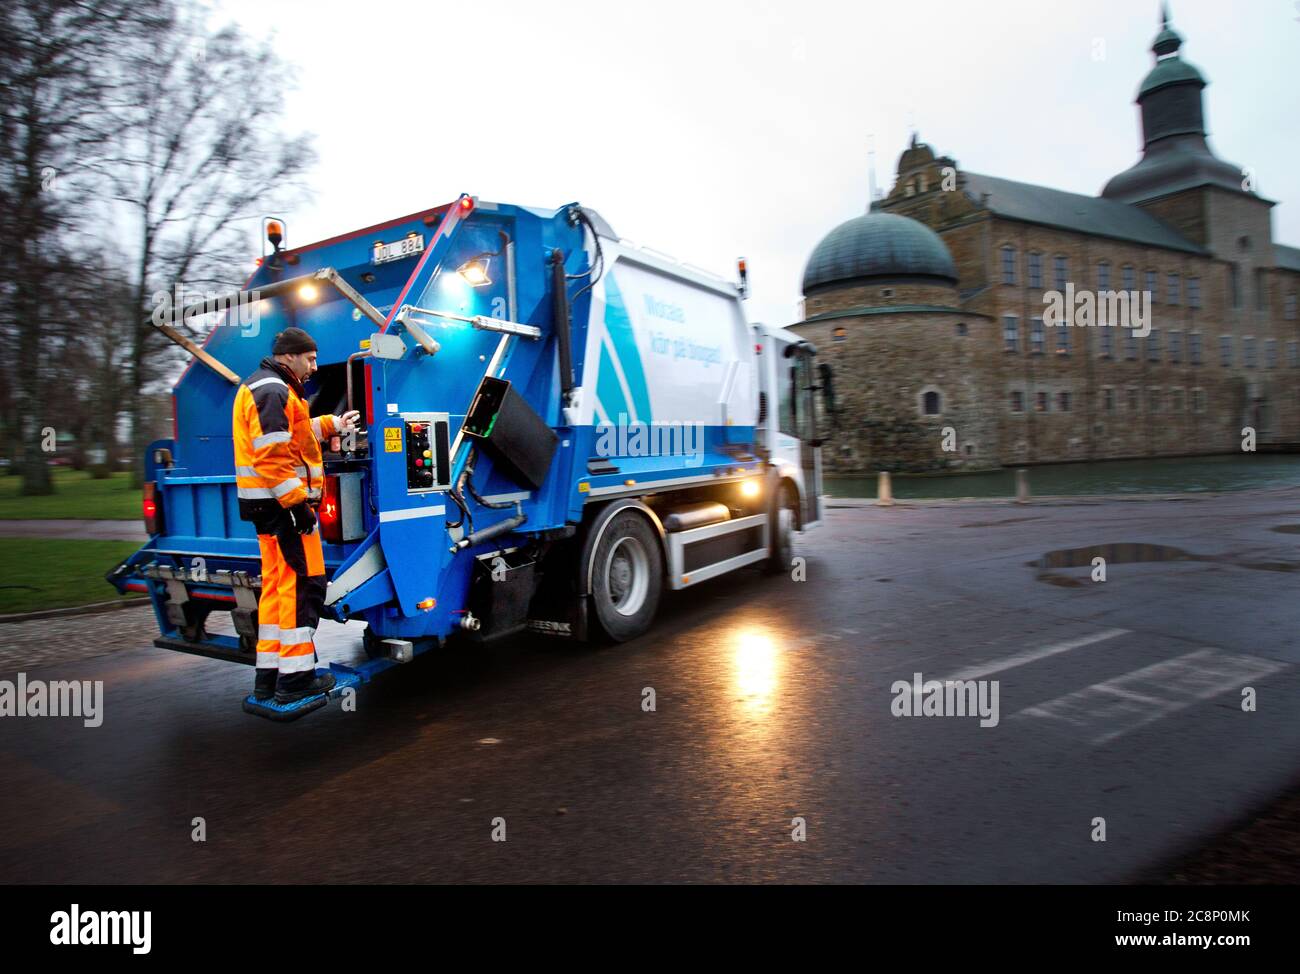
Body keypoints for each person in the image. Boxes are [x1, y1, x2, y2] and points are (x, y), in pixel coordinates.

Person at [231, 327, 359, 704]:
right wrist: (297, 503)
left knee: (276, 588)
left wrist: (332, 425)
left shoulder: (266, 387)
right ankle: (296, 679)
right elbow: (271, 455)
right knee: (303, 588)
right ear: (289, 356)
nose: (315, 367)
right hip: (281, 507)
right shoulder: (274, 390)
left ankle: (269, 676)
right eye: (311, 358)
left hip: (266, 508)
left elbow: (294, 436)